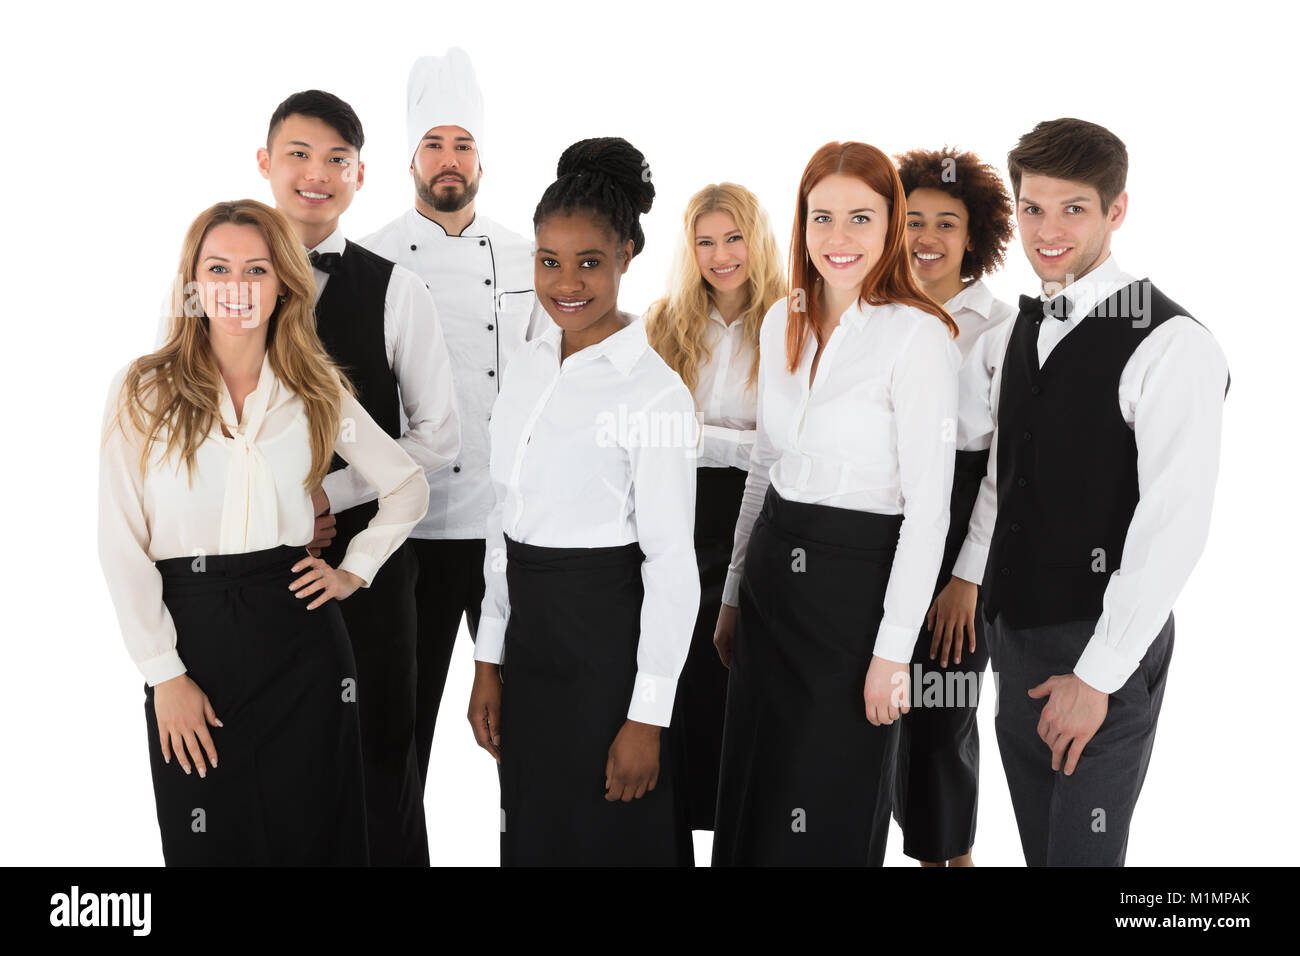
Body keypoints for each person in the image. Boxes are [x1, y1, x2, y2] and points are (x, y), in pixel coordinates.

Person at [98, 199, 429, 866]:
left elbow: (407, 486)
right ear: (193, 282)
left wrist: (352, 569)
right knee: (209, 841)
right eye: (218, 268)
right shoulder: (144, 389)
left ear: (283, 283)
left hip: (300, 642)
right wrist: (164, 675)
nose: (237, 288)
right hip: (193, 638)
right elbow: (120, 541)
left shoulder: (315, 391)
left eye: (257, 269)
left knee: (316, 841)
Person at [954, 118, 1229, 866]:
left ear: (1117, 211)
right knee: (1045, 852)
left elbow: (1175, 526)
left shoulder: (1173, 344)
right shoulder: (1027, 324)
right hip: (1016, 638)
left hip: (1100, 647)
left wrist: (1097, 676)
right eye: (1031, 208)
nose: (1048, 230)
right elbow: (1005, 478)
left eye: (1073, 208)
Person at [711, 141, 960, 866]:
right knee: (755, 786)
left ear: (892, 226)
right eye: (823, 218)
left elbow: (930, 512)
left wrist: (892, 654)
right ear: (801, 223)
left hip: (856, 593)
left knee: (832, 793)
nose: (839, 238)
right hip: (770, 579)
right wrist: (731, 593)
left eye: (860, 218)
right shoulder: (779, 317)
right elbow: (763, 466)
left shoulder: (918, 339)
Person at [466, 137, 699, 866]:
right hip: (529, 646)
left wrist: (646, 717)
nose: (566, 282)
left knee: (611, 838)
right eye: (549, 261)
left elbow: (671, 566)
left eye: (589, 263)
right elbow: (504, 524)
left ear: (627, 255)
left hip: (607, 651)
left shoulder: (655, 391)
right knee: (537, 835)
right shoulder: (530, 366)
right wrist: (487, 659)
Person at [257, 89, 461, 866]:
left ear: (361, 173)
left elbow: (438, 439)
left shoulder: (397, 289)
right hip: (250, 569)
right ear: (266, 164)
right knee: (272, 764)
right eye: (299, 155)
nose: (317, 174)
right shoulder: (219, 282)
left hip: (370, 569)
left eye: (336, 160)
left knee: (380, 756)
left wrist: (330, 497)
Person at [361, 50, 545, 791]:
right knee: (398, 733)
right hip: (410, 531)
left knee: (530, 726)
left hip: (509, 525)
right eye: (434, 145)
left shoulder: (530, 258)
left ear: (481, 157)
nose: (449, 161)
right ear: (409, 159)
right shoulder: (369, 262)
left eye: (462, 145)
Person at [643, 183, 784, 859]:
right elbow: (649, 435)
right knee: (678, 666)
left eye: (734, 239)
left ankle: (739, 834)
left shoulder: (794, 322)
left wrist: (701, 434)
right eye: (706, 241)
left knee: (741, 675)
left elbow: (779, 448)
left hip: (757, 515)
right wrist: (725, 437)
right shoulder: (663, 322)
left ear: (757, 241)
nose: (722, 255)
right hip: (677, 510)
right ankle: (673, 831)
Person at [890, 146, 1016, 867]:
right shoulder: (874, 312)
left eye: (946, 222)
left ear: (975, 237)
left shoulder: (998, 326)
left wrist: (967, 577)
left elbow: (1005, 468)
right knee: (883, 709)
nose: (927, 237)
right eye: (912, 220)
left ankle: (951, 857)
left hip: (963, 531)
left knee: (941, 715)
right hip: (880, 520)